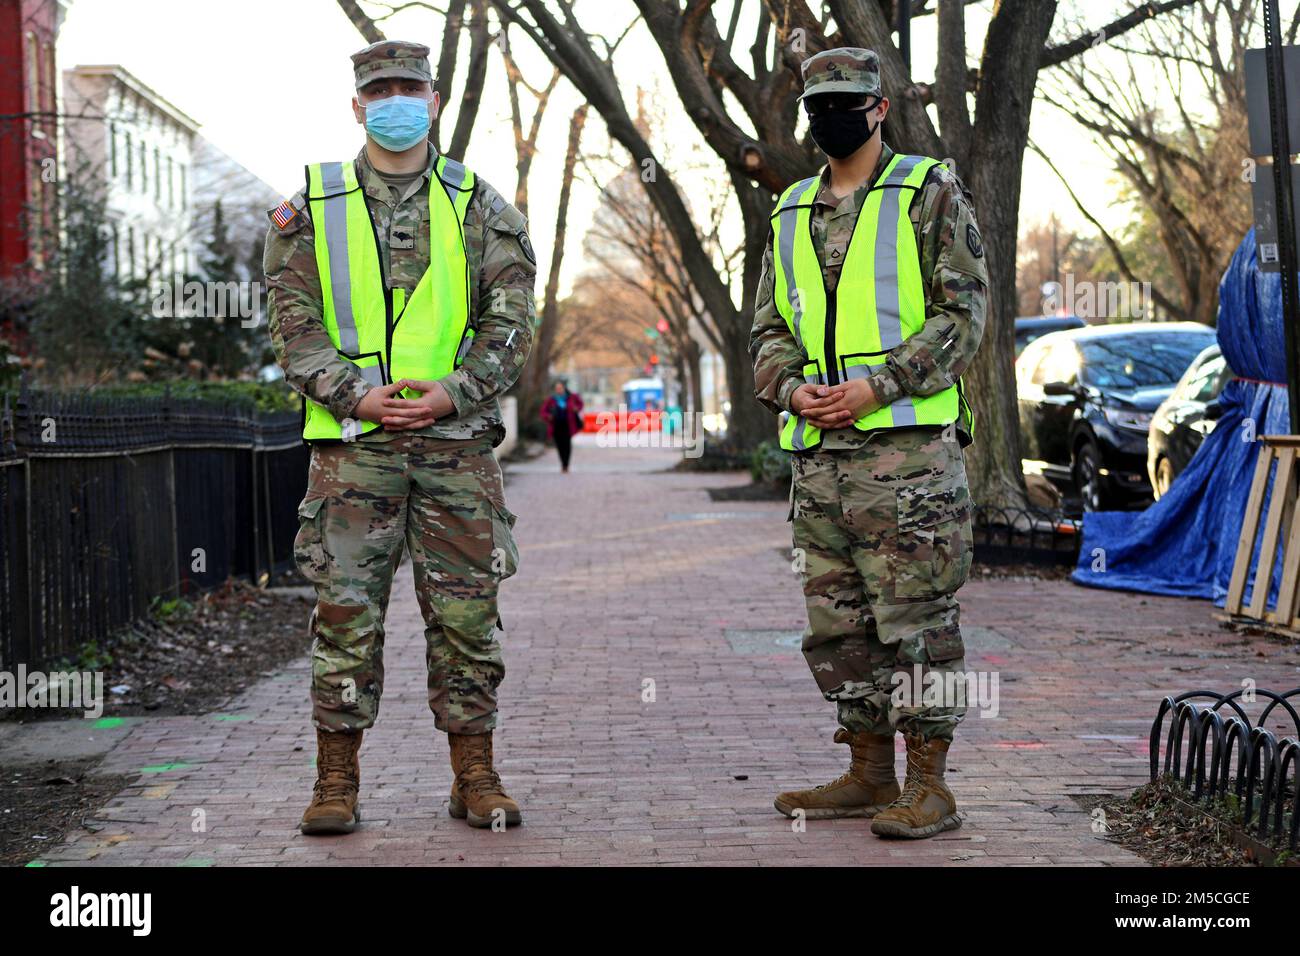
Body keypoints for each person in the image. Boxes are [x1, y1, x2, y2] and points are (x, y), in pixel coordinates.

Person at [264, 39, 537, 834]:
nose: (394, 99)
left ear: (434, 98)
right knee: (345, 615)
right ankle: (336, 781)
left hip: (455, 449)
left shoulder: (481, 205)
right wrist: (359, 397)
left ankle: (475, 774)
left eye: (407, 86)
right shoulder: (309, 207)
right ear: (356, 104)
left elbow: (511, 323)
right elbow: (293, 325)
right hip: (355, 452)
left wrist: (452, 392)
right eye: (378, 88)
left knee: (466, 617)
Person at [749, 48, 988, 839]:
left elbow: (964, 316)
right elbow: (769, 330)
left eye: (846, 101)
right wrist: (791, 388)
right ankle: (866, 773)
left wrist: (879, 385)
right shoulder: (788, 210)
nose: (829, 115)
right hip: (820, 461)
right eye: (816, 103)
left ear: (880, 107)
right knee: (839, 626)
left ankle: (931, 787)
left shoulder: (928, 190)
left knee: (919, 621)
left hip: (908, 458)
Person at [540, 380, 583, 472]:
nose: (558, 390)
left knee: (567, 444)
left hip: (568, 424)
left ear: (564, 388)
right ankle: (563, 463)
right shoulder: (552, 399)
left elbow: (580, 404)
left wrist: (576, 409)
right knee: (559, 445)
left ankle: (566, 464)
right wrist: (548, 416)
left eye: (560, 388)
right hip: (556, 425)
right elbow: (543, 411)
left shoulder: (571, 397)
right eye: (557, 388)